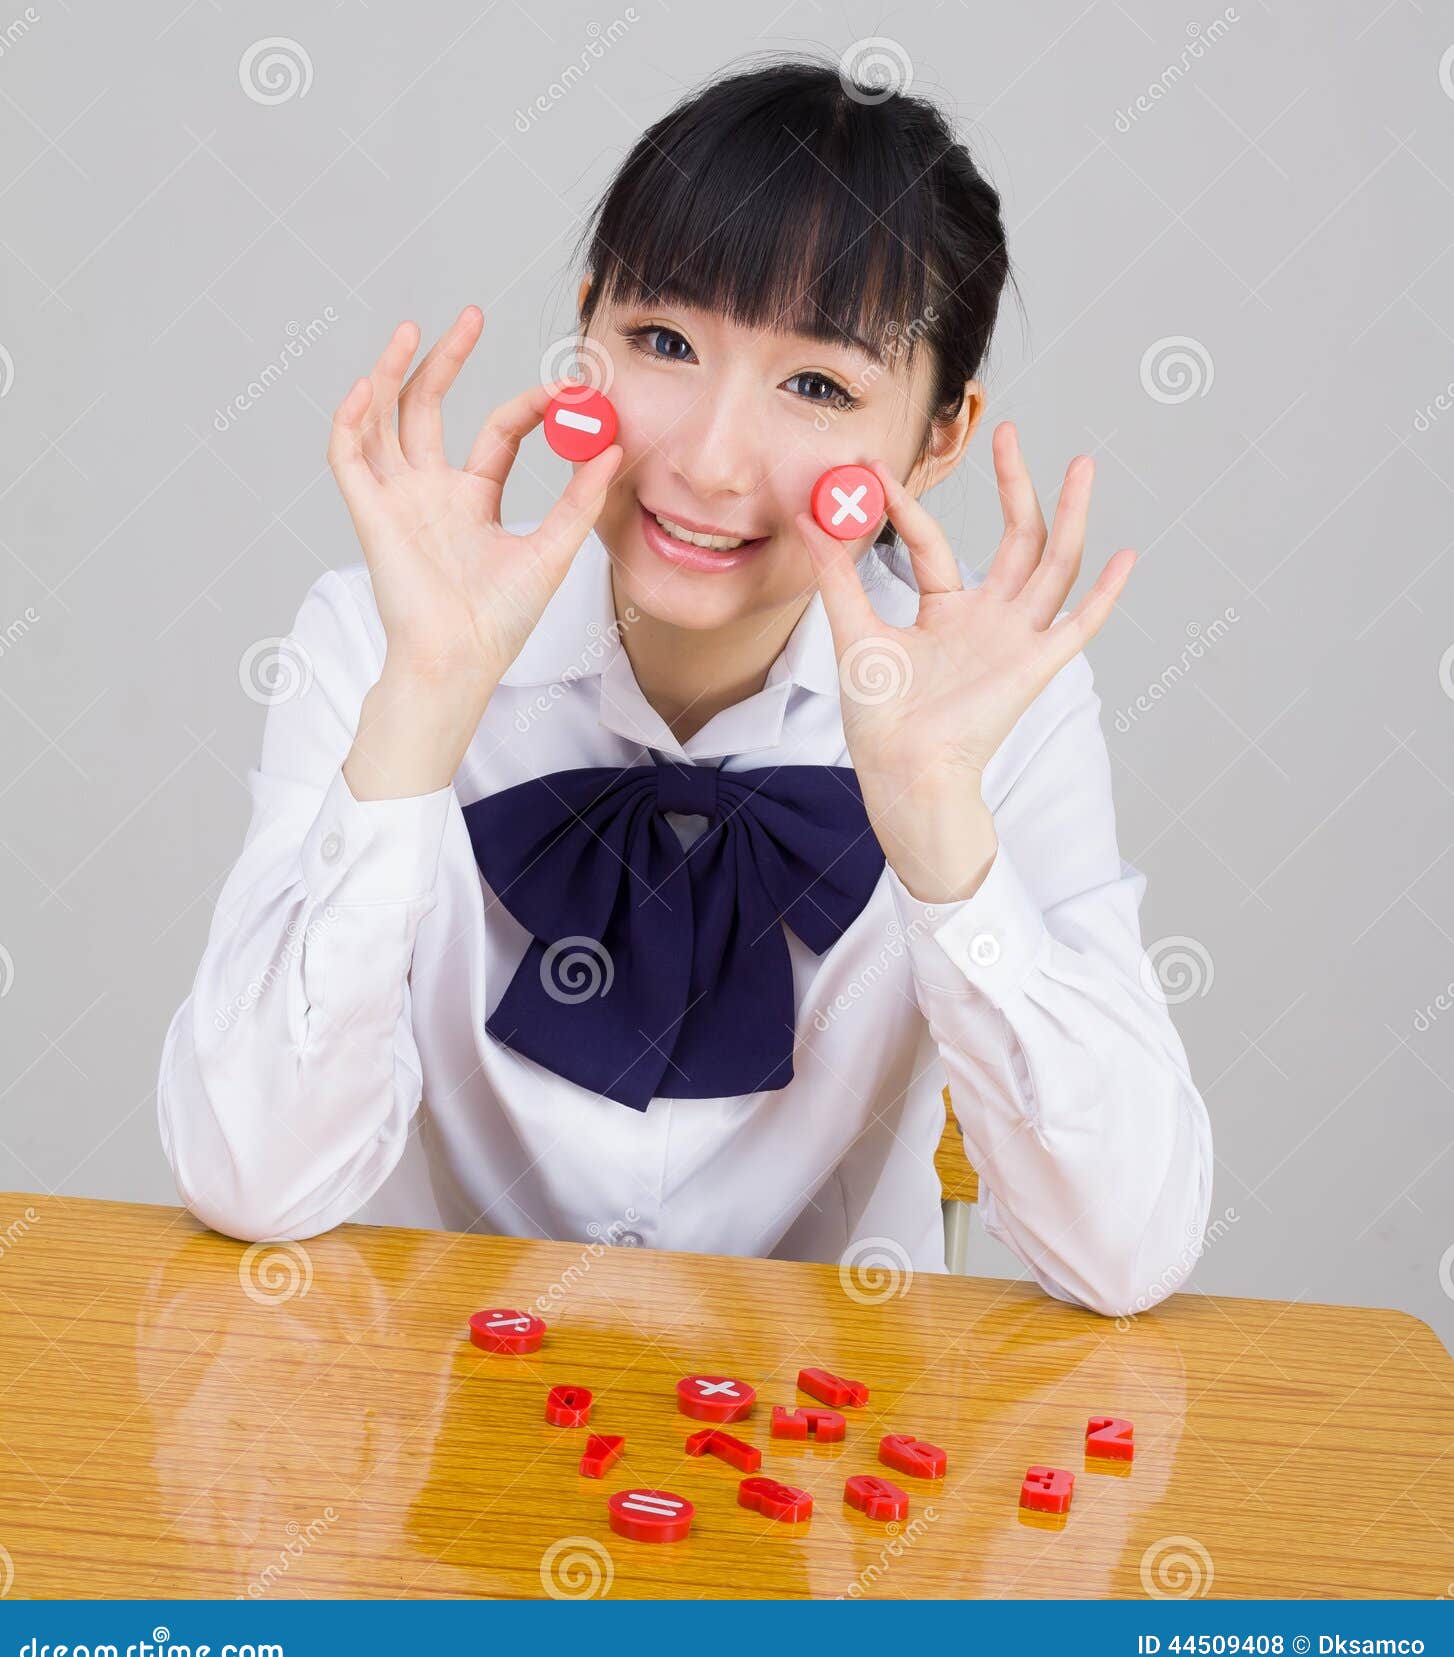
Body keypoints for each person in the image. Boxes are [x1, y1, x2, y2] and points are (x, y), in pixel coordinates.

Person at [157, 57, 1212, 1317]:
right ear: (585, 335)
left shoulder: (998, 700)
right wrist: (423, 703)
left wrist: (940, 831)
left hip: (817, 1463)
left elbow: (1125, 1252)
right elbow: (248, 1178)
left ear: (938, 437)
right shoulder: (381, 633)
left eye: (816, 385)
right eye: (661, 342)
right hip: (425, 1442)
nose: (710, 463)